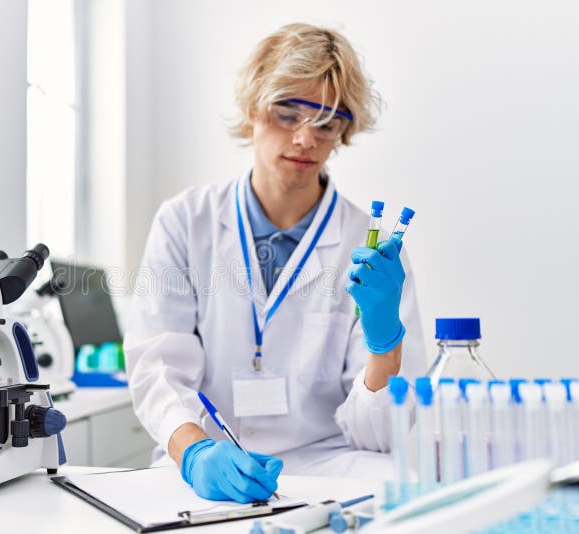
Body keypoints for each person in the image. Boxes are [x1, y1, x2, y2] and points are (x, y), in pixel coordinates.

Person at [124, 23, 426, 504]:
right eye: (287, 114)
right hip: (206, 452)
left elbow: (380, 434)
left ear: (343, 133)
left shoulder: (373, 249)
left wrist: (385, 343)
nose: (306, 139)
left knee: (402, 486)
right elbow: (158, 367)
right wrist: (197, 452)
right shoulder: (186, 221)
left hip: (331, 460)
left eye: (327, 123)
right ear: (252, 110)